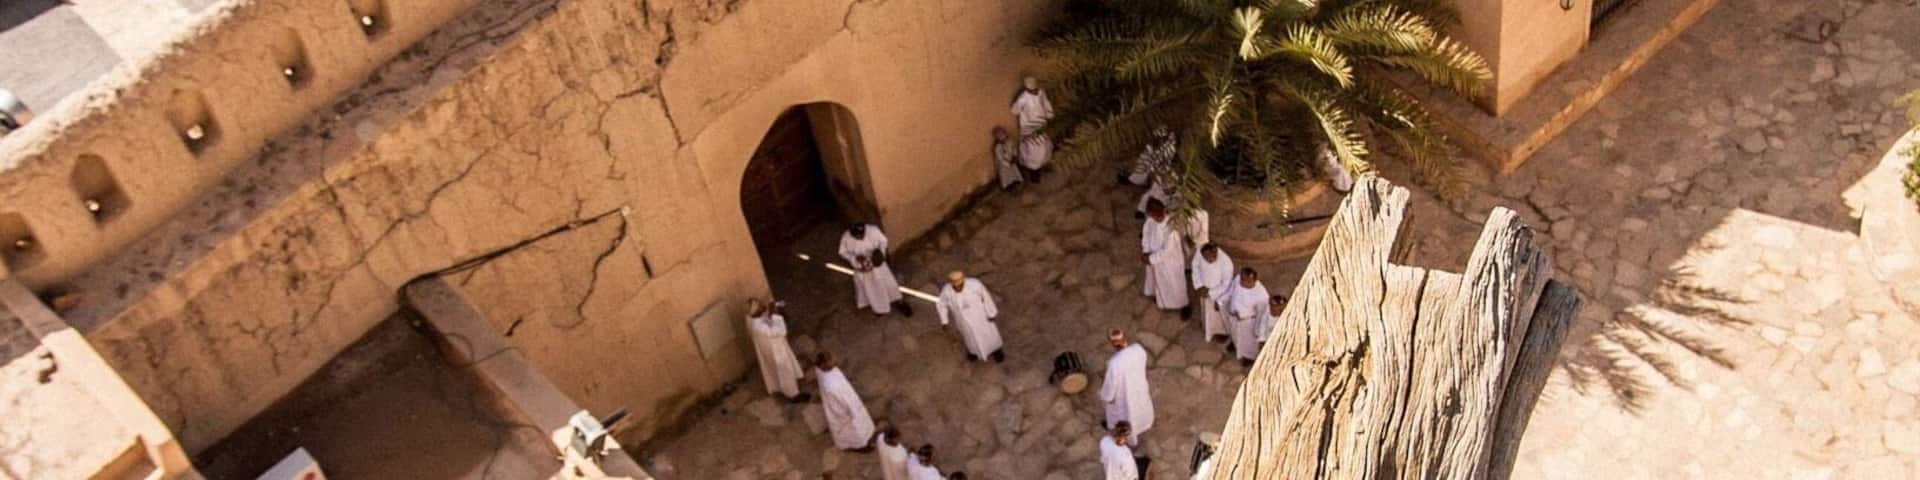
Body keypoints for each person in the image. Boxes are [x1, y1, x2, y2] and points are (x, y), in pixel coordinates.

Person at [839, 223, 912, 317]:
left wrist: (880, 252)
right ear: (852, 234)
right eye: (857, 236)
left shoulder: (873, 230)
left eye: (861, 235)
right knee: (870, 289)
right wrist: (854, 258)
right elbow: (843, 253)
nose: (860, 238)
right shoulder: (846, 237)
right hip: (862, 269)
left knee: (889, 284)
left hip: (878, 264)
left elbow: (883, 241)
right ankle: (879, 308)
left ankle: (899, 303)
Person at [746, 299, 809, 403]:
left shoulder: (751, 319)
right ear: (757, 311)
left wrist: (774, 307)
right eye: (760, 307)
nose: (763, 307)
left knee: (777, 370)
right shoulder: (760, 327)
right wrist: (776, 316)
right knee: (785, 371)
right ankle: (793, 395)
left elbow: (767, 314)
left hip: (769, 350)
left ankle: (786, 387)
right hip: (775, 351)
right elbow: (781, 331)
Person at [936, 271, 1006, 363]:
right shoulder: (947, 291)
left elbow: (986, 297)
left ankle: (996, 351)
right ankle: (974, 353)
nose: (959, 288)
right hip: (964, 322)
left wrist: (991, 312)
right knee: (970, 338)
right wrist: (944, 321)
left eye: (960, 285)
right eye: (956, 286)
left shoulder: (975, 284)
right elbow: (941, 304)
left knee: (989, 336)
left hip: (981, 317)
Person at [1100, 329, 1154, 445]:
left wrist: (1106, 396)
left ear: (1113, 343)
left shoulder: (1114, 363)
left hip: (1124, 393)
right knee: (1141, 406)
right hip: (1138, 385)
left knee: (1124, 414)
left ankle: (1128, 436)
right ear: (1125, 338)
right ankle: (1144, 423)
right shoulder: (1138, 349)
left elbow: (1110, 385)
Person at [815, 351, 876, 450]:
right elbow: (840, 399)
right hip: (845, 408)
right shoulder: (831, 384)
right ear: (823, 364)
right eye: (830, 361)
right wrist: (851, 410)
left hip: (843, 400)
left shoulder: (821, 370)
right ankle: (861, 445)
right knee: (855, 428)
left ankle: (864, 438)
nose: (833, 362)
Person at [1140, 199, 1190, 319]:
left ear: (1162, 211)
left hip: (1170, 263)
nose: (1154, 217)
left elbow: (1167, 251)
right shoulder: (1150, 221)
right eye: (1151, 214)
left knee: (1175, 284)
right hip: (1153, 258)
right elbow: (1146, 234)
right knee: (1158, 281)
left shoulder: (1171, 227)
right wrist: (1146, 250)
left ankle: (1184, 306)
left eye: (1155, 214)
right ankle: (1162, 300)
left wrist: (1151, 259)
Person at [1219, 268, 1271, 366]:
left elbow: (1262, 314)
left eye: (1247, 281)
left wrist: (1258, 331)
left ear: (1254, 280)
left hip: (1248, 322)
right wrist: (1220, 301)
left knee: (1248, 342)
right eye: (1242, 279)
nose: (1243, 282)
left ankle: (1249, 357)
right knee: (1234, 334)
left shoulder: (1261, 295)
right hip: (1234, 317)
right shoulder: (1238, 279)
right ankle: (1235, 345)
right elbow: (1230, 292)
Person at [1126, 127, 1177, 218]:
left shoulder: (1170, 149)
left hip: (1167, 184)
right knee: (1148, 196)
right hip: (1160, 178)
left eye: (1159, 139)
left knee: (1156, 204)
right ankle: (1141, 211)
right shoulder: (1156, 147)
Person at [1189, 244, 1235, 344]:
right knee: (1206, 313)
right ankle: (1207, 327)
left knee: (1219, 316)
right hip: (1203, 290)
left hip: (1218, 295)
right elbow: (1195, 267)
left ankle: (1222, 333)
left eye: (1208, 258)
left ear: (1215, 252)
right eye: (1204, 257)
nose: (1206, 260)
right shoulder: (1200, 252)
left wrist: (1210, 293)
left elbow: (1226, 284)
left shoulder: (1226, 263)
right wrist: (1199, 285)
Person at [1011, 76, 1055, 181]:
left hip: (1041, 125)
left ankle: (1044, 164)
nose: (1034, 90)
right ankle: (1034, 172)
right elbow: (1014, 110)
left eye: (1035, 88)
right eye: (1031, 89)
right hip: (1029, 128)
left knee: (1044, 146)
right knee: (1032, 151)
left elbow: (1045, 103)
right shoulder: (1023, 98)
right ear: (1027, 89)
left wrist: (1049, 114)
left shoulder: (1041, 92)